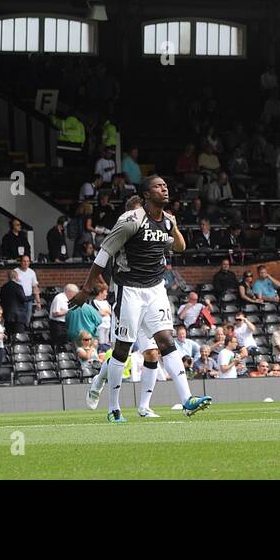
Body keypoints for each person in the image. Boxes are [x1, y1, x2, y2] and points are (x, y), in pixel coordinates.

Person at [69, 175, 211, 421]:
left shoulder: (166, 221)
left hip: (155, 289)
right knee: (122, 350)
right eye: (158, 186)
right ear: (146, 195)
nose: (164, 188)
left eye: (165, 185)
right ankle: (114, 408)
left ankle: (187, 400)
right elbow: (103, 255)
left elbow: (179, 247)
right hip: (129, 290)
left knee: (166, 342)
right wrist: (85, 289)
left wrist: (174, 225)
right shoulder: (130, 221)